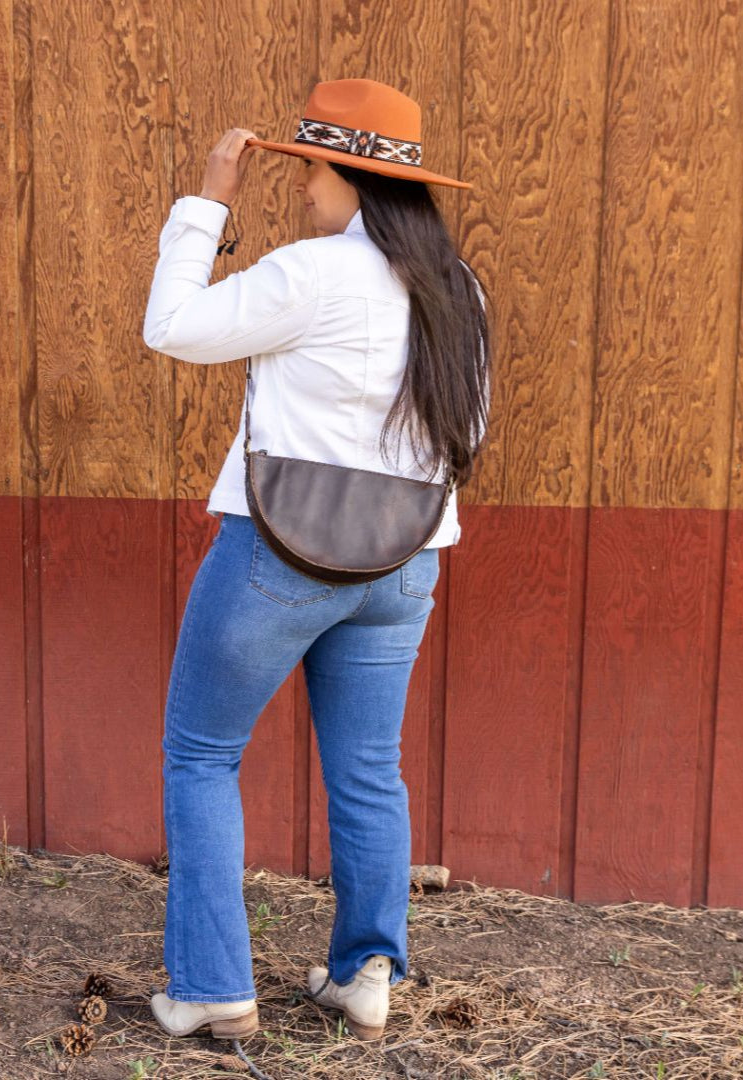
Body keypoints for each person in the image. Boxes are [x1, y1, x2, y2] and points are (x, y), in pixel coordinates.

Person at [141, 78, 491, 1042]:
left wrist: (207, 201)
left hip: (281, 554)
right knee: (370, 770)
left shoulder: (311, 273)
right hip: (406, 562)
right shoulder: (459, 288)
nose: (302, 187)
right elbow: (468, 431)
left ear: (351, 176)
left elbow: (170, 327)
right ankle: (365, 974)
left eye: (311, 169)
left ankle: (213, 987)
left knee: (201, 756)